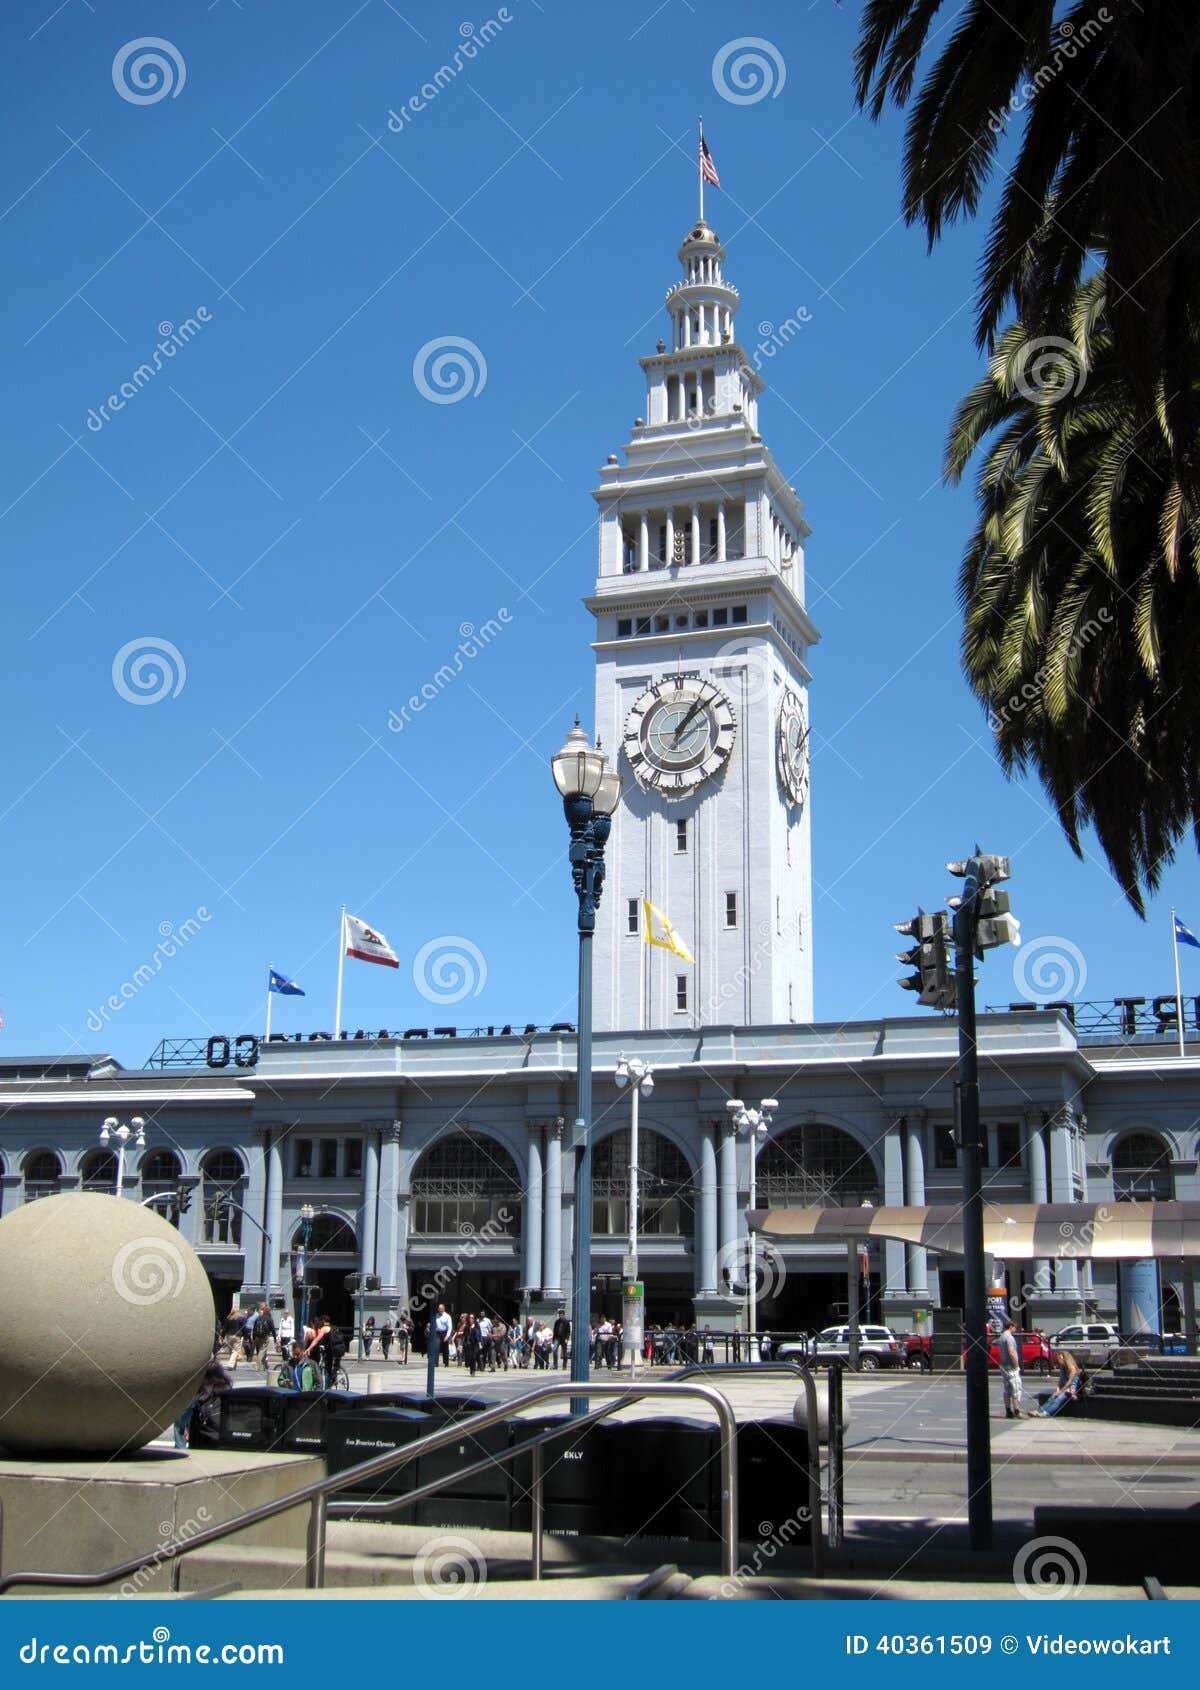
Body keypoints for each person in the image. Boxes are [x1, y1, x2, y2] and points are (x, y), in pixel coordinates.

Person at [174, 1353, 233, 1449]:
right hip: (224, 1437)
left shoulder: (198, 1390)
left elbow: (182, 1417)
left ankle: (180, 1449)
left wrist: (184, 1430)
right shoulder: (225, 1385)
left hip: (203, 1438)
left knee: (179, 1420)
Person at [1035, 1349, 1083, 1417]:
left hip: (1071, 1390)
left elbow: (1070, 1382)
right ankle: (1039, 1411)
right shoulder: (1063, 1368)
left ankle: (1047, 1413)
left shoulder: (1072, 1368)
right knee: (1052, 1397)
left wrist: (1061, 1391)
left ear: (1064, 1358)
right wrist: (1058, 1389)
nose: (1058, 1361)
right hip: (1064, 1388)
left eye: (1059, 1358)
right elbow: (1060, 1380)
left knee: (1059, 1399)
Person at [998, 1318, 1023, 1418]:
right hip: (1011, 1367)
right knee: (1016, 1389)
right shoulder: (1009, 1338)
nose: (1015, 1329)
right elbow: (1012, 1352)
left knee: (1007, 1389)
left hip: (1003, 1365)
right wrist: (1016, 1365)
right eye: (1015, 1327)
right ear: (1011, 1326)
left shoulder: (1001, 1337)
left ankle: (1008, 1411)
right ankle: (1017, 1411)